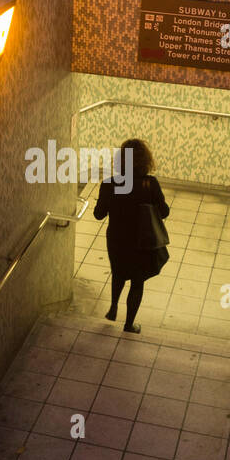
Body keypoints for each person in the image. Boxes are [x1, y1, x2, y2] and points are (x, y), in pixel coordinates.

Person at [94, 140, 170, 335]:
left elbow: (98, 214)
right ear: (145, 161)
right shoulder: (149, 184)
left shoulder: (110, 184)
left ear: (121, 160)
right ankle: (129, 324)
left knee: (118, 272)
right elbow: (164, 212)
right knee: (137, 281)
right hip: (141, 240)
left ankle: (113, 308)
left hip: (117, 239)